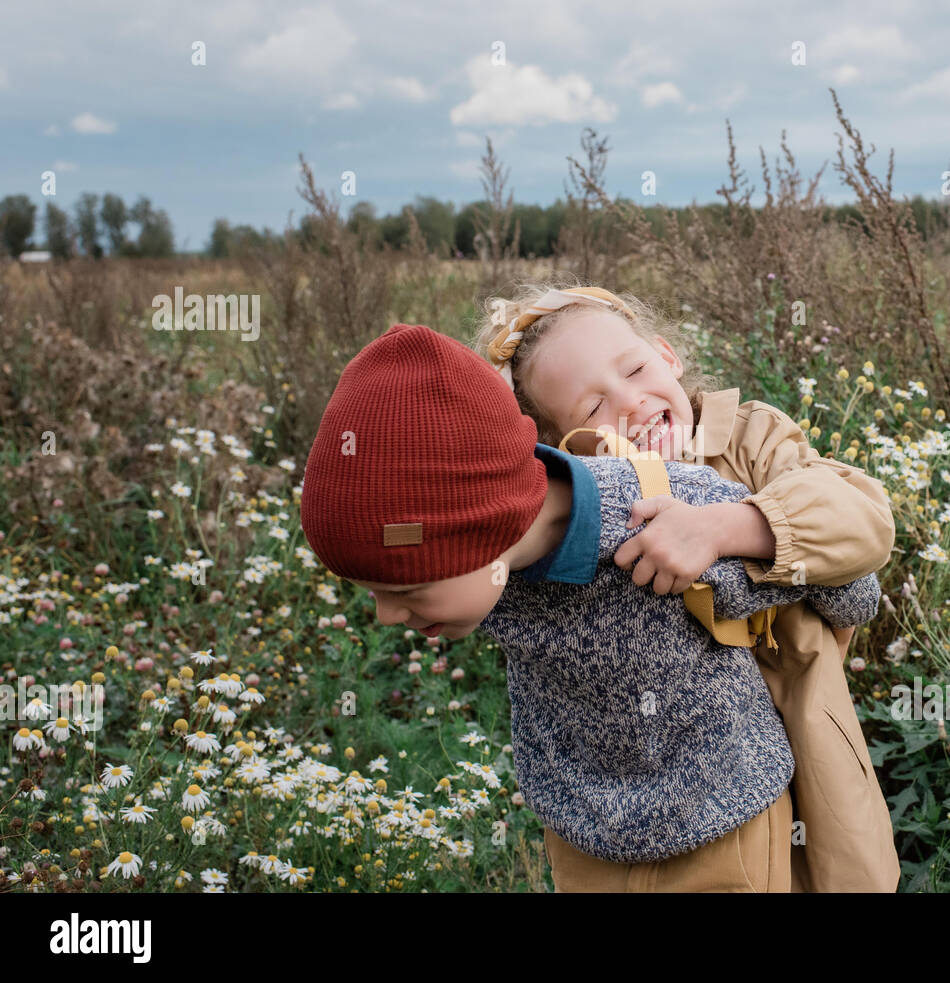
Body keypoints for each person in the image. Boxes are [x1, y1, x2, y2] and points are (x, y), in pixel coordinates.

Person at [299, 322, 881, 892]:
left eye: (403, 590)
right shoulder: (494, 564)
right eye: (593, 404)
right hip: (583, 834)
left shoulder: (663, 519)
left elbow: (853, 580)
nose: (385, 615)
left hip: (725, 822)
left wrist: (736, 531)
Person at [472, 282, 900, 892]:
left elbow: (862, 519)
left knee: (833, 869)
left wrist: (723, 526)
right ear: (557, 447)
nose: (631, 402)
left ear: (668, 355)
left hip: (805, 724)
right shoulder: (589, 510)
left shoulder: (750, 437)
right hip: (681, 782)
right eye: (592, 408)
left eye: (637, 368)